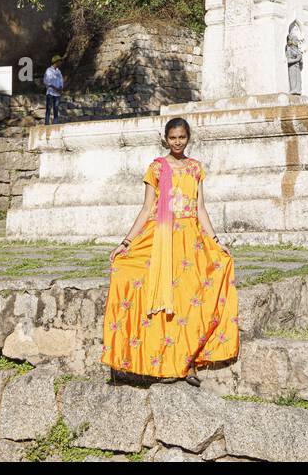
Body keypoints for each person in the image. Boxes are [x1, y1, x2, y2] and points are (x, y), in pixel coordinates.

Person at [101, 117, 239, 384]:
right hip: (160, 238)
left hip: (190, 241)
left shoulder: (196, 168)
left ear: (188, 138)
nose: (177, 142)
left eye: (182, 138)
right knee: (154, 299)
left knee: (188, 301)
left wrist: (216, 240)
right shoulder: (156, 168)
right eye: (173, 138)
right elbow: (146, 208)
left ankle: (186, 361)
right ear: (165, 138)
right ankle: (160, 363)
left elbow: (200, 208)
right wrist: (126, 243)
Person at [43, 56, 64, 124]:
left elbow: (61, 81)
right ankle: (47, 123)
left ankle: (55, 123)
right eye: (59, 61)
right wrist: (55, 88)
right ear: (56, 62)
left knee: (56, 109)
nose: (60, 63)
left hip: (57, 93)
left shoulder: (59, 71)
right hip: (50, 93)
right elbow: (47, 81)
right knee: (48, 108)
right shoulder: (49, 70)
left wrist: (60, 87)